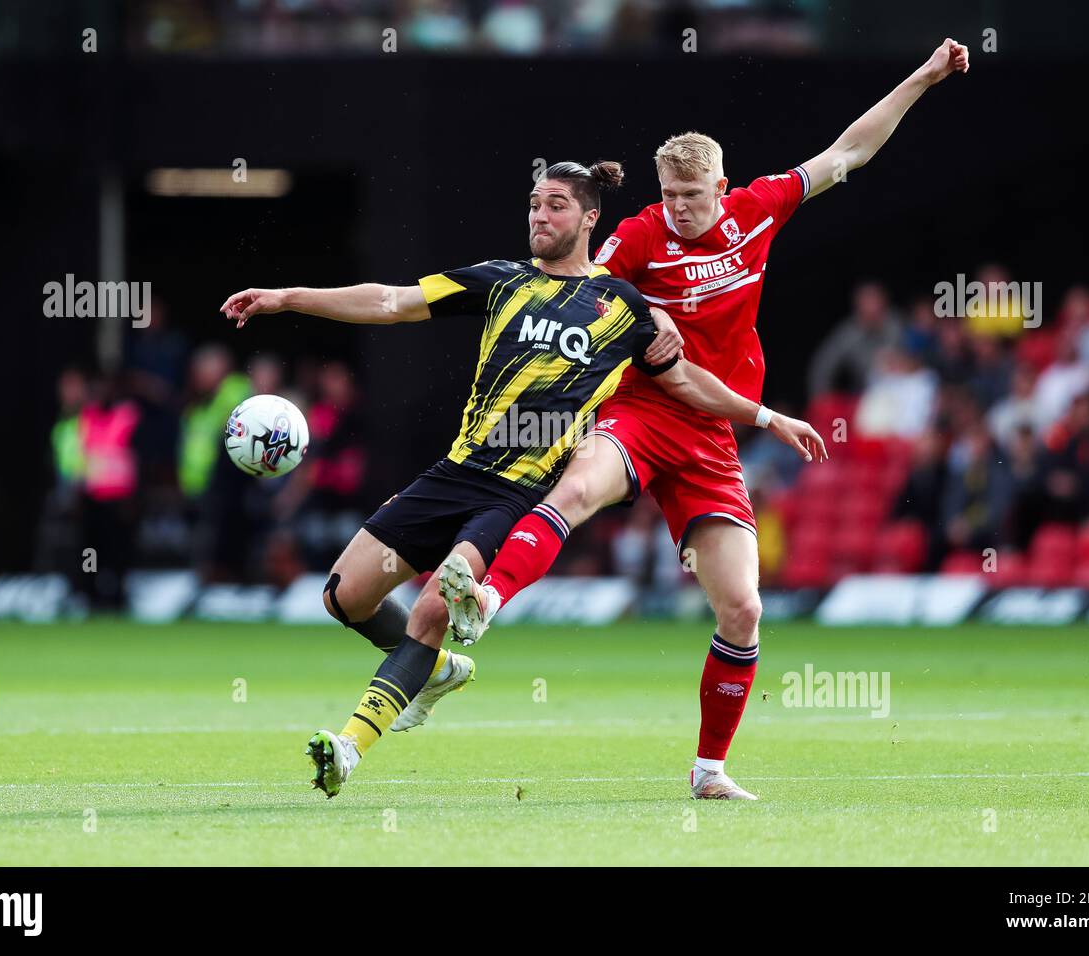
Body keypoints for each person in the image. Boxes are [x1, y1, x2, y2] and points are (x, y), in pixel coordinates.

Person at [438, 38, 970, 800]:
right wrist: (627, 315)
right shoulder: (636, 239)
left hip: (713, 430)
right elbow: (579, 291)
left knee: (744, 606)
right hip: (644, 407)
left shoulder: (760, 210)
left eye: (692, 195)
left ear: (722, 185)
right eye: (669, 194)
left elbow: (849, 150)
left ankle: (710, 769)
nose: (678, 209)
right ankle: (485, 600)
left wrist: (920, 75)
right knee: (581, 489)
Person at [219, 160, 824, 798]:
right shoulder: (501, 281)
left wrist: (766, 415)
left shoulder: (622, 304)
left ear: (591, 218)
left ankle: (348, 747)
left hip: (519, 490)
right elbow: (392, 301)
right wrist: (288, 298)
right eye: (535, 204)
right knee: (344, 597)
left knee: (433, 605)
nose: (540, 216)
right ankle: (440, 669)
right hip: (456, 470)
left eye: (556, 205)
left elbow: (684, 381)